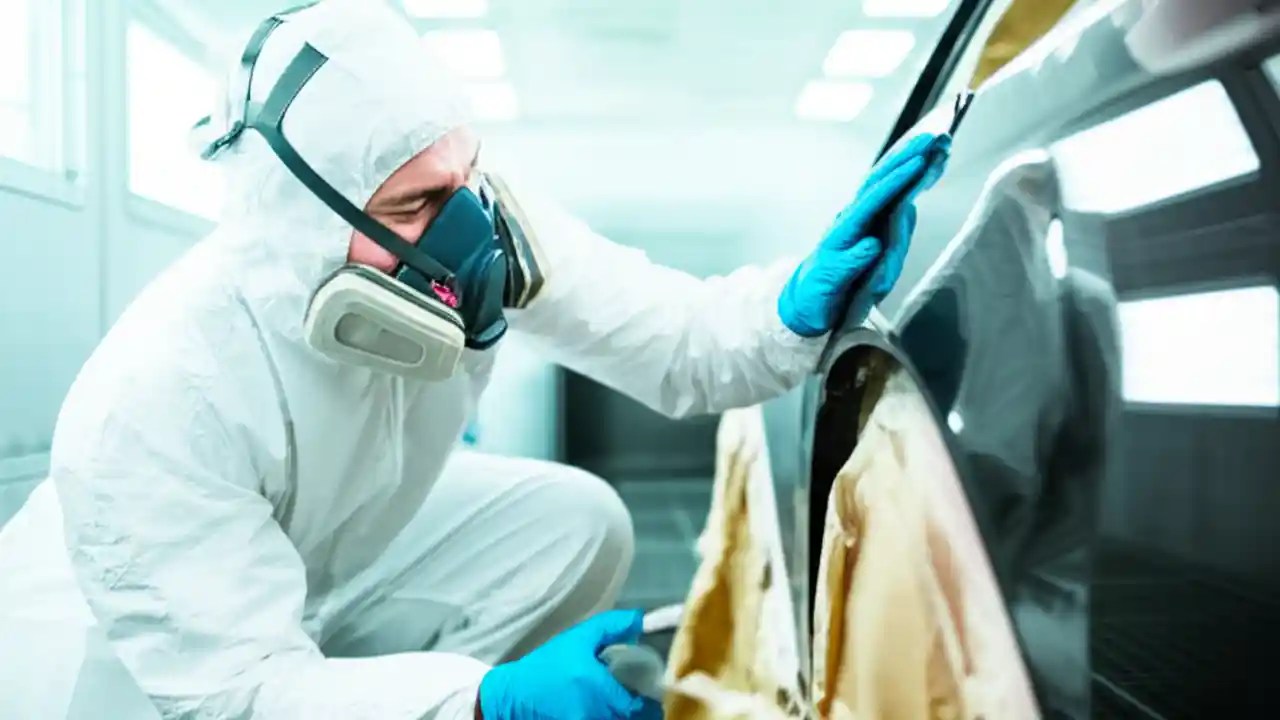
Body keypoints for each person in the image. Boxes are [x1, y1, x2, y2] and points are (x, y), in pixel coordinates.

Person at [0, 1, 949, 718]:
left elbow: (675, 337)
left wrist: (788, 309)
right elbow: (237, 693)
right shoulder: (157, 402)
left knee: (574, 523)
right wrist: (481, 704)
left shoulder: (473, 209)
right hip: (124, 669)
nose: (464, 235)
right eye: (416, 208)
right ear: (308, 229)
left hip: (318, 566)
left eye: (463, 180)